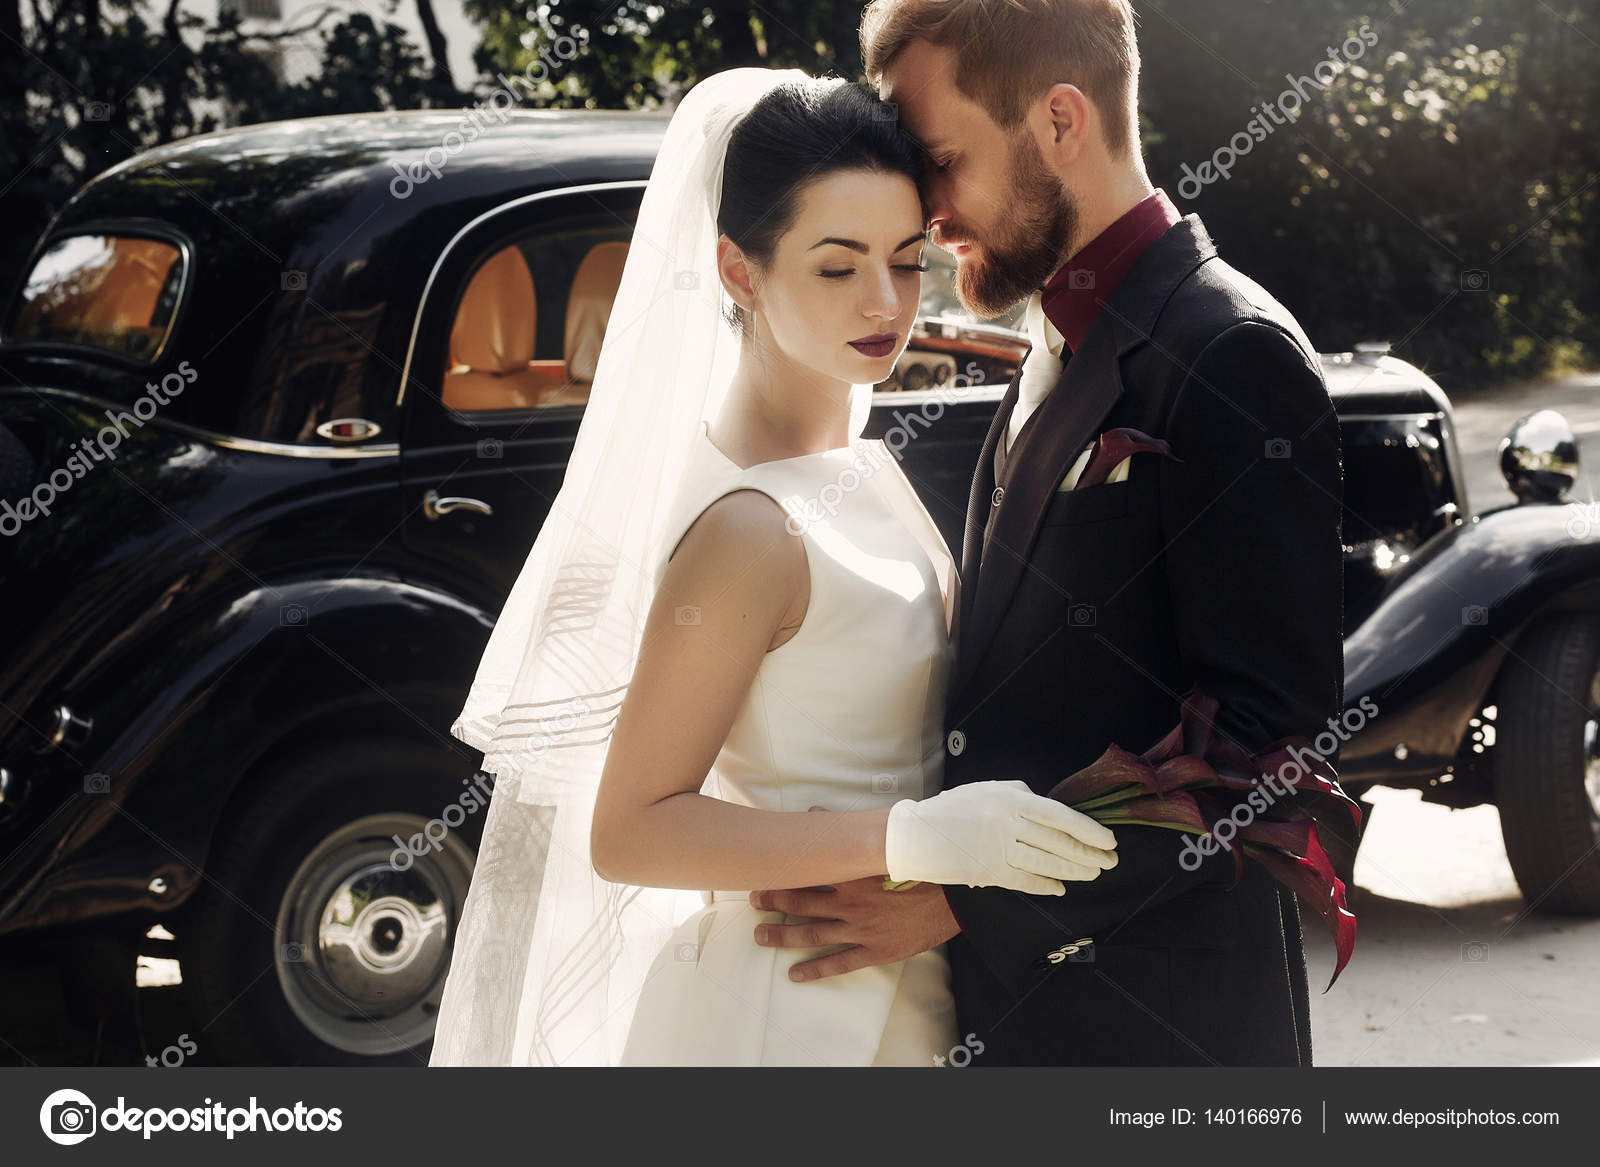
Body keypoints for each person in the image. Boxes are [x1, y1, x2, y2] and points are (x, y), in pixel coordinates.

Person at [427, 67, 1117, 1068]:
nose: (886, 302)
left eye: (904, 259)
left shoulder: (855, 465)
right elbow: (630, 831)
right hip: (784, 1016)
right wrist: (910, 839)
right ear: (739, 272)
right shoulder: (750, 524)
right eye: (836, 269)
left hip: (898, 983)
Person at [749, 0, 1346, 1067]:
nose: (927, 213)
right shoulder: (1055, 336)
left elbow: (1269, 761)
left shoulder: (1229, 354)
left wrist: (968, 907)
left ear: (1061, 121)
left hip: (1164, 1035)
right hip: (1020, 1027)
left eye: (941, 161)